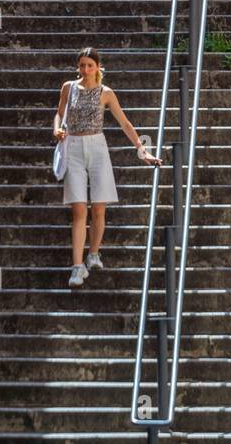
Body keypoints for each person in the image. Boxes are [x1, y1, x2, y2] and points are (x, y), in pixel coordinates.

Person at [54, 48, 160, 288]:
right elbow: (59, 115)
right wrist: (57, 129)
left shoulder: (106, 92)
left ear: (98, 67)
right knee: (79, 209)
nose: (85, 70)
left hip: (97, 147)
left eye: (90, 65)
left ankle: (93, 253)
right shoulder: (68, 87)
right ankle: (77, 266)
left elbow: (124, 122)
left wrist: (142, 149)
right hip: (73, 146)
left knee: (99, 208)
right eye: (82, 65)